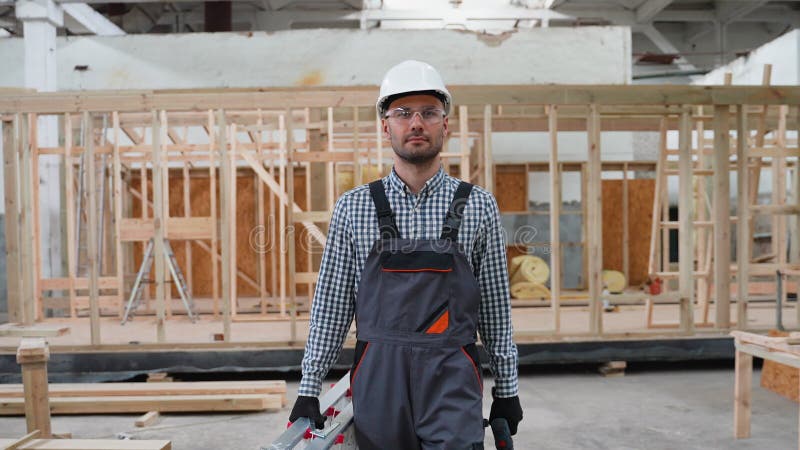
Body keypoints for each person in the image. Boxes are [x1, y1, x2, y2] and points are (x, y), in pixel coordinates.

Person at [289, 60, 522, 449]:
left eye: (429, 113)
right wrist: (310, 386)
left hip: (452, 377)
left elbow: (495, 309)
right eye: (402, 113)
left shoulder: (479, 206)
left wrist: (507, 389)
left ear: (445, 125)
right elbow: (331, 306)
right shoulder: (354, 207)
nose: (416, 123)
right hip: (379, 379)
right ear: (386, 127)